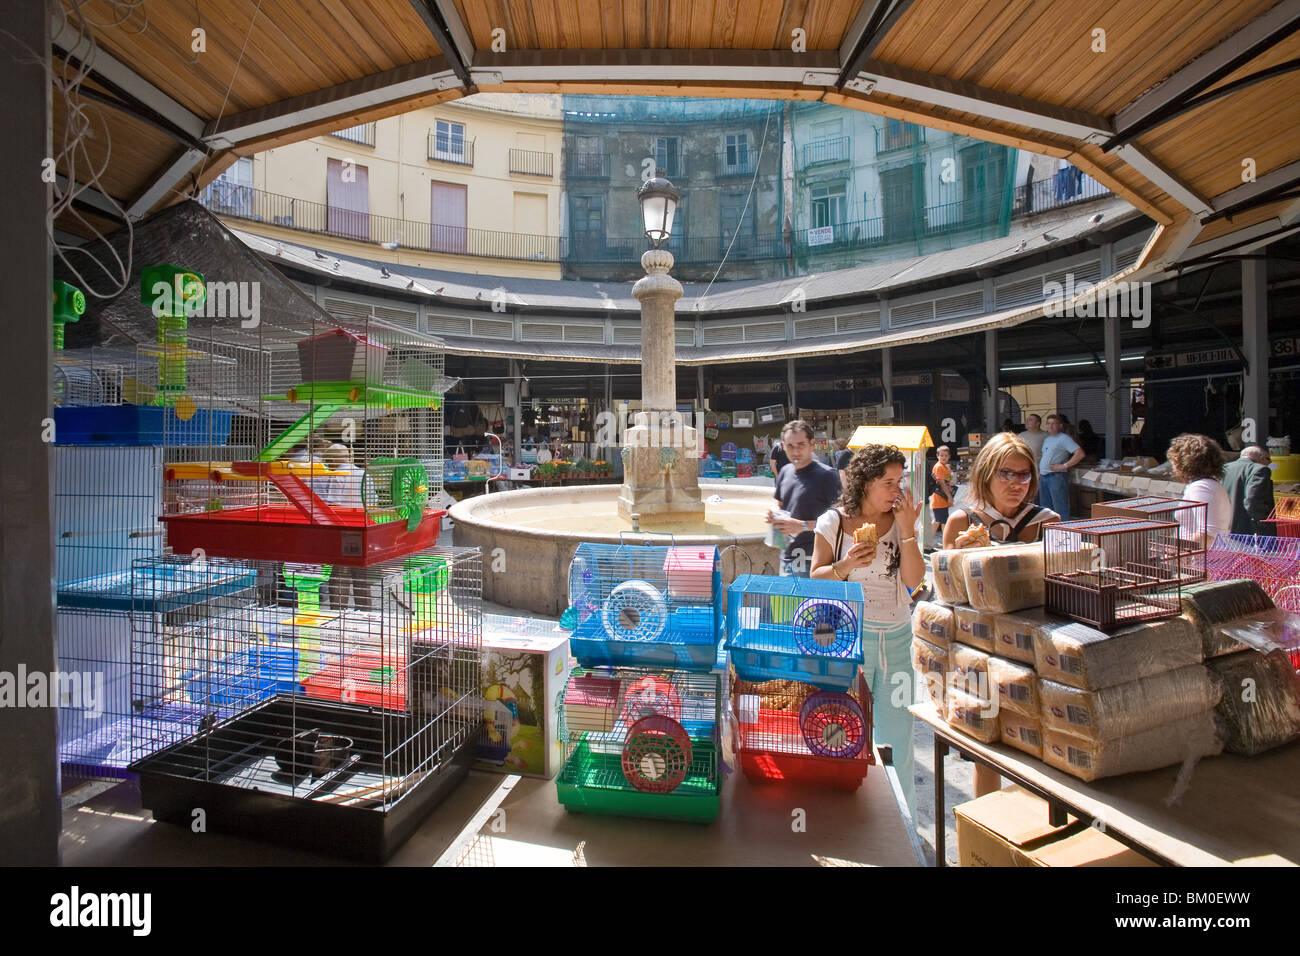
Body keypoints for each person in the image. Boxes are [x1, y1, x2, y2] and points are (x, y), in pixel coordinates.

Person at [809, 444, 925, 820]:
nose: (896, 491)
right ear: (864, 483)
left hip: (896, 637)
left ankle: (901, 818)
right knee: (842, 733)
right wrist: (844, 566)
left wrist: (907, 532)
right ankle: (847, 814)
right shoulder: (833, 523)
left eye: (899, 481)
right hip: (848, 640)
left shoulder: (901, 520)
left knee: (897, 736)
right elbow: (816, 578)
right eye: (887, 482)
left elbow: (914, 582)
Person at [944, 432, 1059, 548]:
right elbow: (947, 565)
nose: (1016, 485)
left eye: (1024, 475)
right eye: (1005, 474)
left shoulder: (1047, 522)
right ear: (985, 475)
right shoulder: (961, 522)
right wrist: (959, 559)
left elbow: (1063, 564)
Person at [766, 421, 842, 577]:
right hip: (787, 558)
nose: (795, 451)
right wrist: (774, 516)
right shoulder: (785, 472)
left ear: (812, 444)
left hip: (816, 561)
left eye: (801, 445)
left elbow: (842, 521)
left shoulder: (827, 476)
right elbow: (781, 506)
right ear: (782, 446)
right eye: (790, 446)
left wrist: (803, 526)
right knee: (785, 602)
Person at [1167, 433, 1233, 541]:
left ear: (1184, 462)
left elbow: (1207, 534)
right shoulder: (1208, 485)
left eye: (1174, 462)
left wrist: (1179, 552)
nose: (1173, 467)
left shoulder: (1201, 487)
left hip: (1200, 556)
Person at [1038, 414, 1084, 519]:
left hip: (1056, 476)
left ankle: (1063, 531)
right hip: (1044, 476)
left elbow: (1080, 453)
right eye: (1049, 423)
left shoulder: (1064, 439)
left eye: (1054, 423)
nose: (1051, 426)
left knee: (1059, 507)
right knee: (1045, 508)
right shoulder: (1047, 439)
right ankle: (1049, 531)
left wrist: (1064, 466)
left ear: (1060, 425)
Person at [1222, 445, 1275, 535]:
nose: (1269, 464)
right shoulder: (1260, 469)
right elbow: (1253, 502)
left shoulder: (1224, 468)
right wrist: (1265, 523)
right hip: (1249, 531)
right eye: (1269, 460)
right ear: (1262, 458)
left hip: (1225, 528)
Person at [930, 445, 955, 539]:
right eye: (941, 455)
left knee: (938, 520)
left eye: (945, 455)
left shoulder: (947, 467)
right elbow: (941, 483)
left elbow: (948, 480)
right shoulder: (939, 467)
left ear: (949, 456)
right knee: (943, 520)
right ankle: (946, 541)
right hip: (939, 497)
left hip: (944, 497)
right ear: (937, 456)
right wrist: (949, 496)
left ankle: (929, 541)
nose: (943, 457)